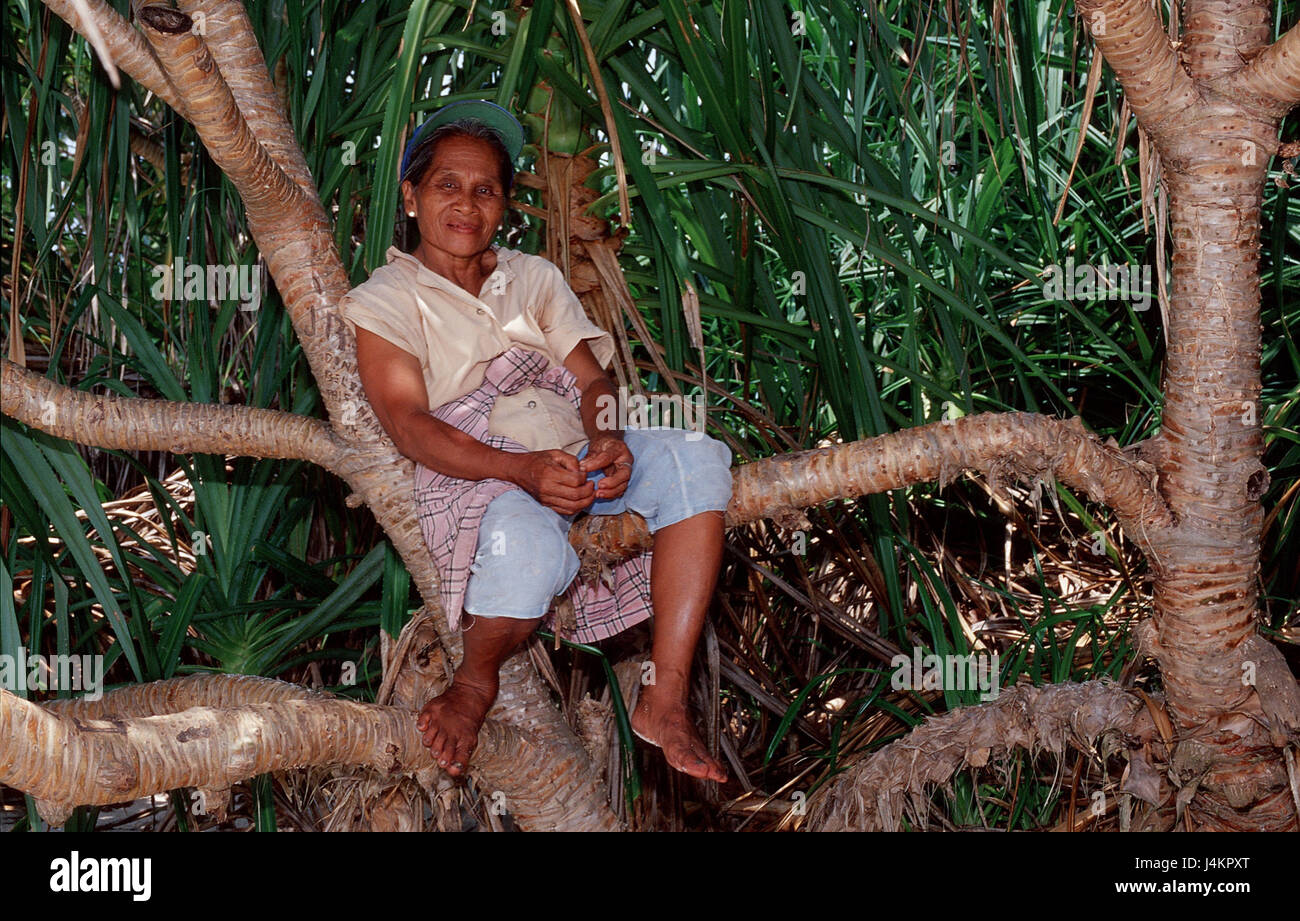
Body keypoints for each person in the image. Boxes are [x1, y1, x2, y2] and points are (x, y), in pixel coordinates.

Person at [339, 99, 733, 783]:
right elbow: (410, 424)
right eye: (447, 185)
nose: (467, 203)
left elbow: (593, 381)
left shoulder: (533, 280)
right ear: (410, 196)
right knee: (527, 551)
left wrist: (608, 440)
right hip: (472, 464)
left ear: (505, 204)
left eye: (485, 188)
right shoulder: (385, 300)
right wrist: (519, 471)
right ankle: (475, 681)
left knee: (697, 457)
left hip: (565, 443)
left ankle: (664, 696)